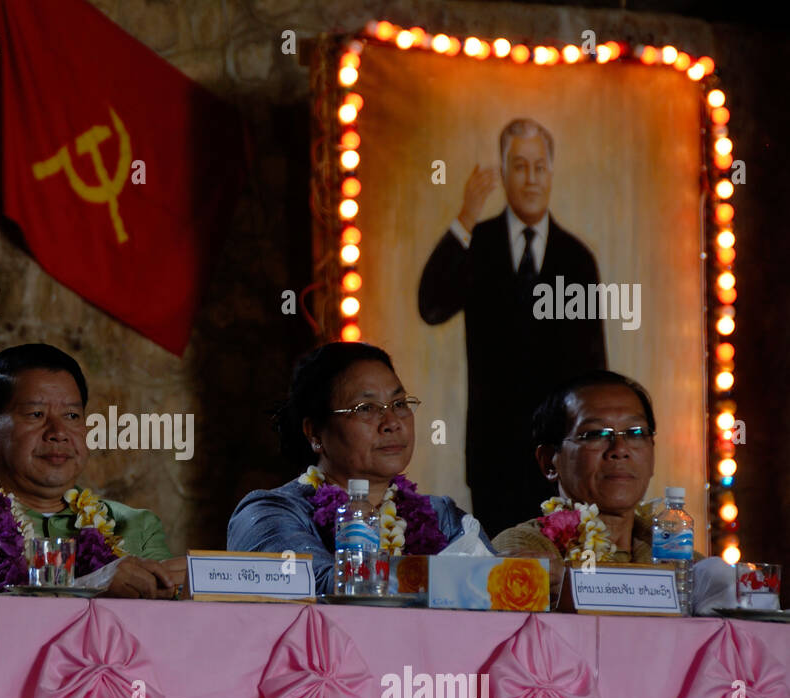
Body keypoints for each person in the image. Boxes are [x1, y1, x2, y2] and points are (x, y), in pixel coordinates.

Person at [418, 117, 605, 537]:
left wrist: (590, 451)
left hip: (561, 459)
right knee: (499, 575)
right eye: (519, 166)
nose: (531, 178)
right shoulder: (477, 244)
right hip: (492, 456)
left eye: (539, 167)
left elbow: (593, 370)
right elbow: (431, 306)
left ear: (551, 173)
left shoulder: (576, 259)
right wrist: (464, 218)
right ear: (503, 174)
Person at [0, 343, 185, 598]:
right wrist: (91, 586)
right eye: (36, 414)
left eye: (71, 415)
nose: (58, 432)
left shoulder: (135, 528)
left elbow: (167, 627)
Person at [227, 341, 490, 595]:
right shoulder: (271, 514)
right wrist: (454, 576)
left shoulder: (442, 516)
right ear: (315, 432)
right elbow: (318, 587)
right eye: (366, 408)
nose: (392, 423)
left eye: (399, 404)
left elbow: (496, 593)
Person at [492, 370, 702, 595]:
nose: (620, 450)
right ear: (549, 463)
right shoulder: (524, 548)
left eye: (636, 432)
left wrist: (571, 584)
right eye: (595, 434)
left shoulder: (688, 564)